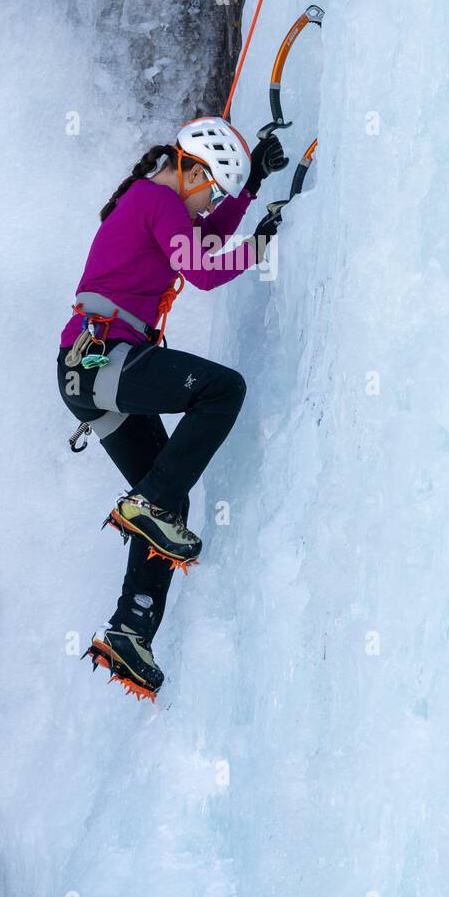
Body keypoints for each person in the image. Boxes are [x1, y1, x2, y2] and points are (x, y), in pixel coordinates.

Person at [57, 116, 288, 700]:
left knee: (167, 498)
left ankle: (129, 631)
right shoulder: (155, 198)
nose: (211, 201)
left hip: (90, 374)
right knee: (222, 390)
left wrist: (251, 187)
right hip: (103, 361)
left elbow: (204, 239)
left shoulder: (157, 205)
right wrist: (260, 243)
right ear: (188, 168)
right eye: (211, 188)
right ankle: (145, 503)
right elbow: (205, 272)